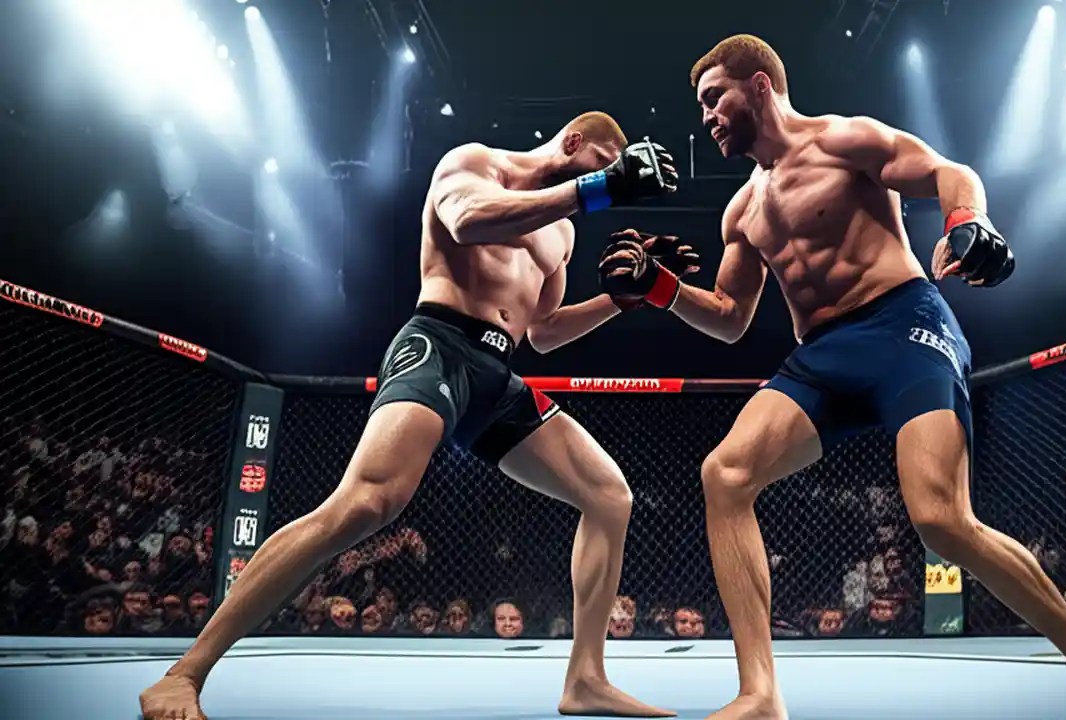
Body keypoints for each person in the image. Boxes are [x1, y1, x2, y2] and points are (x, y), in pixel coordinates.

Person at [599, 34, 1066, 720]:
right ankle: (760, 694)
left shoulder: (841, 140)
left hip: (904, 328)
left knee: (941, 521)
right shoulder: (740, 210)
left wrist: (968, 220)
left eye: (714, 98)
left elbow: (949, 172)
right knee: (725, 474)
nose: (706, 117)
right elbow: (732, 318)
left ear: (760, 85)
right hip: (821, 356)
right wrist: (661, 288)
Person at [140, 111, 681, 719]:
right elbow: (469, 221)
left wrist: (622, 300)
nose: (615, 181)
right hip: (439, 346)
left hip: (498, 375)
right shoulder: (477, 162)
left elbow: (544, 333)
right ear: (574, 143)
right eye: (607, 166)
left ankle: (585, 679)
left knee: (609, 495)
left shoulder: (564, 231)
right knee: (366, 503)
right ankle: (185, 673)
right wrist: (600, 186)